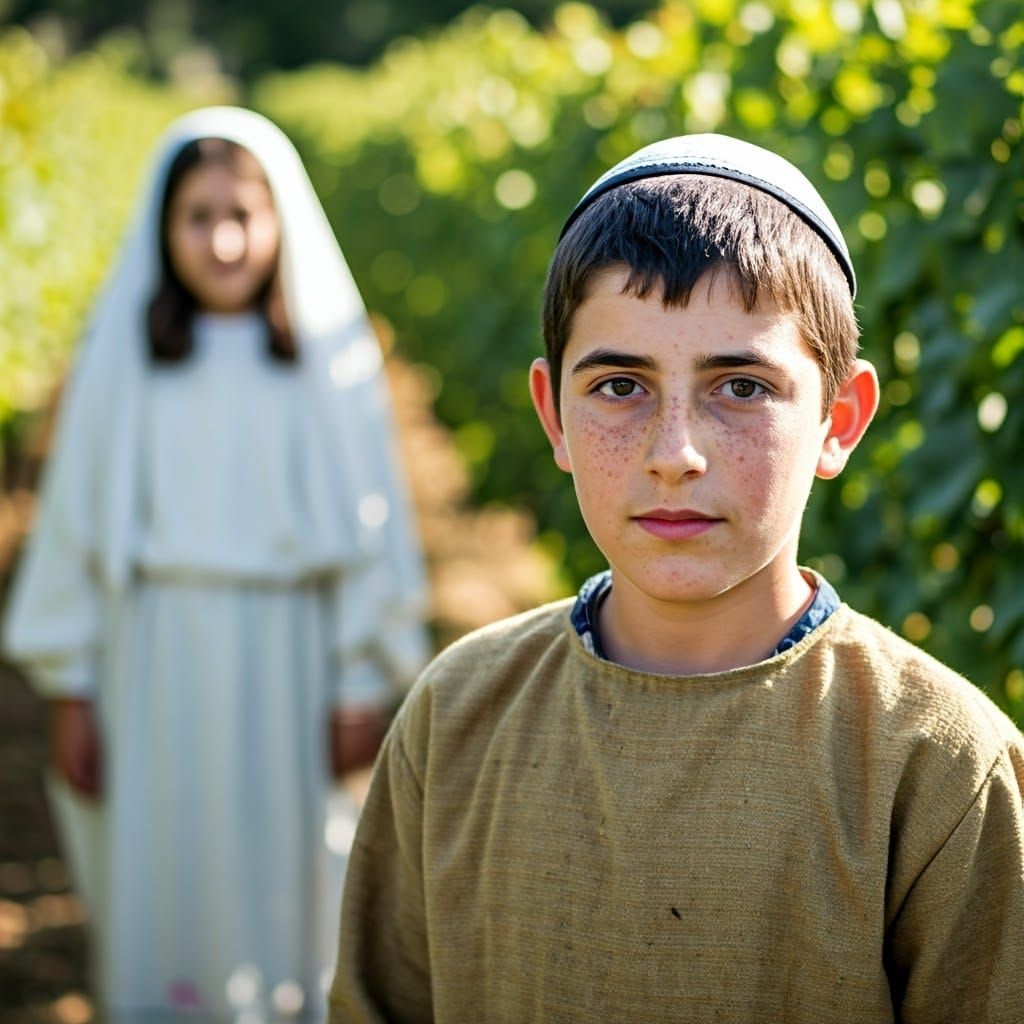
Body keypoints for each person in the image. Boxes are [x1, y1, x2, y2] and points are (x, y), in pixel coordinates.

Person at [329, 134, 1024, 1022]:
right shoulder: (458, 714)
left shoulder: (937, 767)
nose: (676, 456)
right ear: (553, 416)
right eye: (620, 386)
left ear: (838, 419)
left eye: (740, 387)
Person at [3, 106, 429, 1018]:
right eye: (199, 216)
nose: (225, 239)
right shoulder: (126, 362)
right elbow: (77, 522)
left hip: (288, 650)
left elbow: (370, 528)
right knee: (167, 858)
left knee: (286, 858)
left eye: (244, 214)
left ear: (281, 224)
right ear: (164, 231)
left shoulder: (324, 365)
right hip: (155, 649)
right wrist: (73, 685)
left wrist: (361, 679)